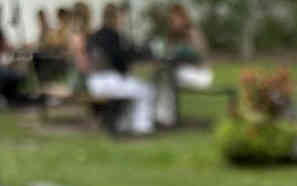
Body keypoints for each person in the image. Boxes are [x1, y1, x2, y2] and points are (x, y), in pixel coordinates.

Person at [87, 2, 171, 133]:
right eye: (120, 17)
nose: (122, 21)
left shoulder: (95, 35)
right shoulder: (113, 36)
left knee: (133, 88)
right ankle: (142, 128)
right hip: (107, 81)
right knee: (146, 90)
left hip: (93, 82)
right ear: (115, 17)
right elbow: (121, 60)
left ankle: (125, 125)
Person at [165, 3, 213, 90]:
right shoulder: (172, 36)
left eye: (174, 20)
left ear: (183, 18)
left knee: (173, 75)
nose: (172, 23)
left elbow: (201, 56)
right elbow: (169, 55)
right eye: (170, 21)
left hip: (200, 74)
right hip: (183, 72)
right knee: (165, 74)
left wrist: (182, 54)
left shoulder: (192, 32)